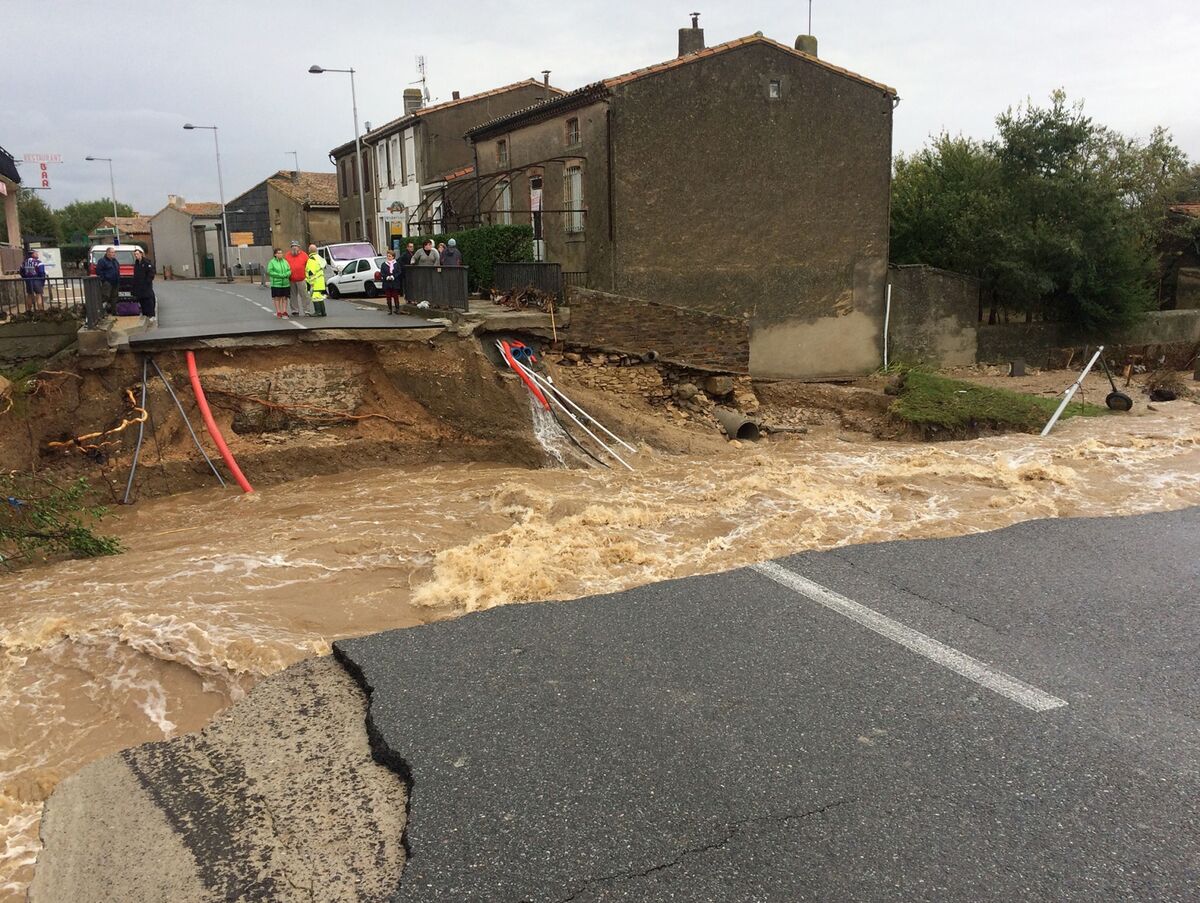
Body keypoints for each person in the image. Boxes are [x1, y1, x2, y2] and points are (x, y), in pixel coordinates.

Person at [285, 240, 311, 317]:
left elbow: (309, 266)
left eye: (295, 246)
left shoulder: (304, 255)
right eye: (292, 246)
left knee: (304, 296)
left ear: (299, 247)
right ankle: (295, 310)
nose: (294, 248)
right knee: (293, 296)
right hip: (291, 279)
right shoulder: (287, 255)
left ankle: (307, 311)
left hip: (302, 279)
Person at [131, 248, 157, 323]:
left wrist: (147, 281)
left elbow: (151, 273)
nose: (136, 255)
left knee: (149, 299)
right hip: (139, 286)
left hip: (146, 285)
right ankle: (145, 314)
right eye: (135, 254)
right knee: (142, 300)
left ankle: (152, 315)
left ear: (141, 254)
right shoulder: (136, 263)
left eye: (137, 254)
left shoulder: (146, 263)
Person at [267, 248, 293, 318]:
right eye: (278, 253)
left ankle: (284, 311)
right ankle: (278, 311)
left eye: (281, 253)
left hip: (285, 283)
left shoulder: (285, 261)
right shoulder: (272, 262)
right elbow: (270, 271)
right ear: (275, 254)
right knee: (277, 298)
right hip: (276, 283)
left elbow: (289, 270)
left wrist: (287, 274)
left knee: (285, 298)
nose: (280, 254)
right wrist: (280, 275)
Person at [95, 247, 121, 314]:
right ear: (107, 253)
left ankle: (114, 311)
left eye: (114, 252)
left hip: (115, 282)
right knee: (105, 297)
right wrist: (104, 280)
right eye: (112, 252)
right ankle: (102, 312)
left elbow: (117, 270)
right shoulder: (102, 261)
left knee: (114, 297)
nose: (113, 254)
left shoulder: (115, 261)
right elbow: (99, 271)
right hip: (107, 282)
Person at [305, 244, 328, 317]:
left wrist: (310, 283)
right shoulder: (319, 258)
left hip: (315, 281)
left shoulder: (311, 259)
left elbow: (311, 272)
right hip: (321, 280)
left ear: (309, 250)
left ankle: (318, 312)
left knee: (315, 297)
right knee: (319, 296)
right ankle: (323, 312)